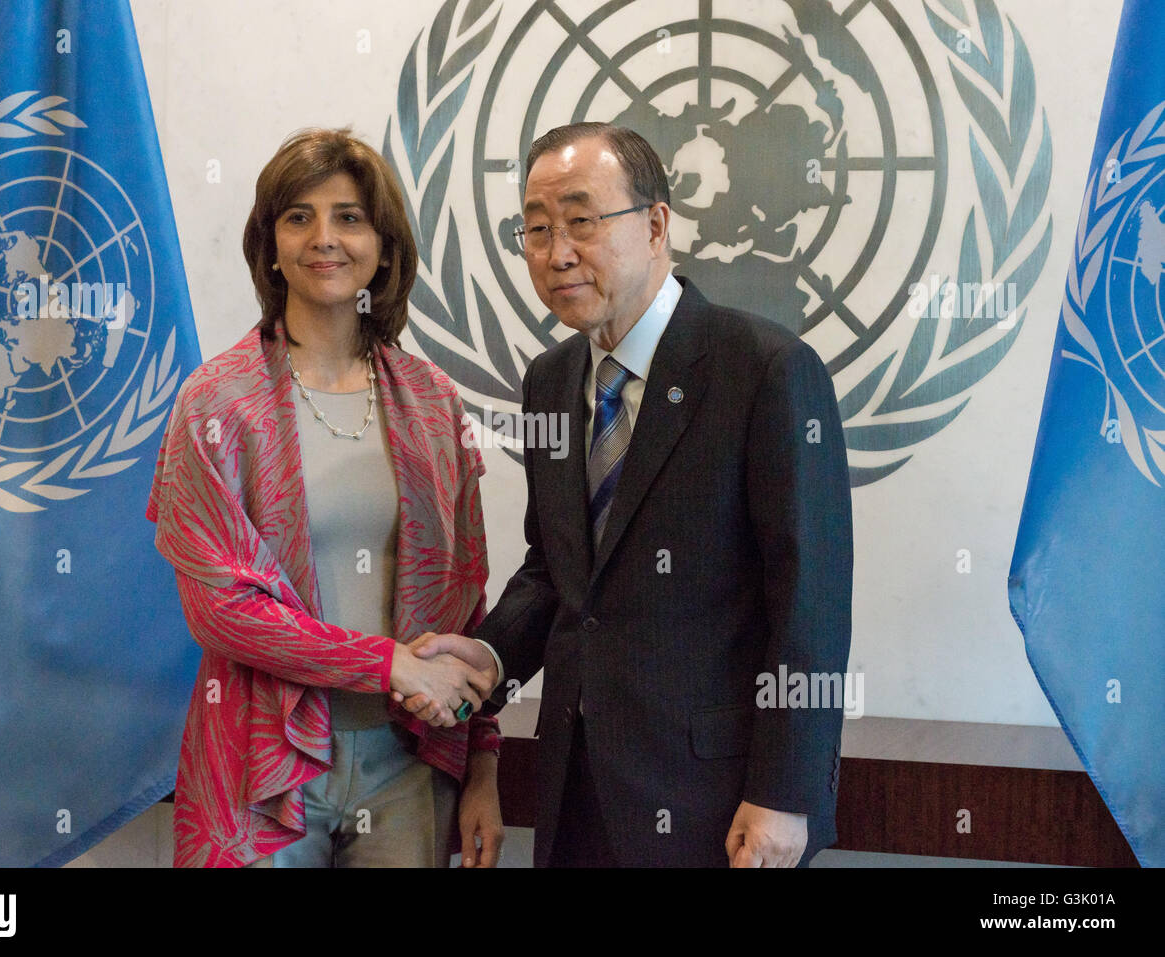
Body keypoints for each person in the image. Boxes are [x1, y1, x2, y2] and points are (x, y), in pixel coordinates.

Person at [397, 122, 853, 867]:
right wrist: (488, 657)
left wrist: (785, 792)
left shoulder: (766, 370)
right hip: (574, 789)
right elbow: (557, 570)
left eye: (581, 221)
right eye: (536, 230)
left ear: (656, 223)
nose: (557, 253)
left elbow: (811, 608)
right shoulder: (548, 382)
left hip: (718, 802)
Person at [147, 128, 503, 867]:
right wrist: (387, 663)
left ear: (383, 243)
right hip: (257, 757)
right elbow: (222, 611)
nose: (324, 237)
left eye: (349, 216)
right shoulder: (217, 400)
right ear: (270, 245)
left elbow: (468, 604)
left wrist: (485, 766)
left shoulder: (434, 401)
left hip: (410, 762)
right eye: (298, 216)